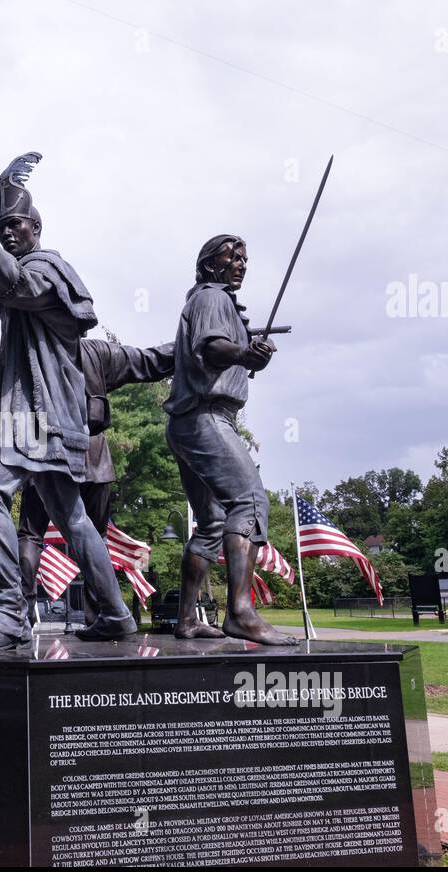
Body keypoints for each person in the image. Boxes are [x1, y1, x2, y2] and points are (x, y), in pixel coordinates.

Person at [0, 152, 138, 649]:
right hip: (33, 417)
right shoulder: (9, 276)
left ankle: (9, 612)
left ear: (38, 228)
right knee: (73, 520)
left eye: (17, 224)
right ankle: (114, 614)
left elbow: (14, 283)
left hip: (39, 417)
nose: (9, 232)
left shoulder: (48, 271)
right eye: (3, 226)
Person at [0, 338, 175, 625]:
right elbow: (149, 361)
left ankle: (21, 611)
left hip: (46, 456)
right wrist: (196, 347)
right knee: (92, 535)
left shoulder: (37, 352)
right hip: (93, 459)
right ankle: (101, 613)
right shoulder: (95, 352)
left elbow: (1, 404)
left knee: (32, 536)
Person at [163, 234, 297, 645]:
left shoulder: (212, 303)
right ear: (209, 265)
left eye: (244, 258)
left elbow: (218, 351)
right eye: (232, 256)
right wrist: (242, 353)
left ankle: (187, 619)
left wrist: (245, 353)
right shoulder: (211, 298)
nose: (240, 263)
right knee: (251, 500)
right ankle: (241, 612)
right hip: (206, 418)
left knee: (211, 524)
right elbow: (212, 347)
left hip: (190, 422)